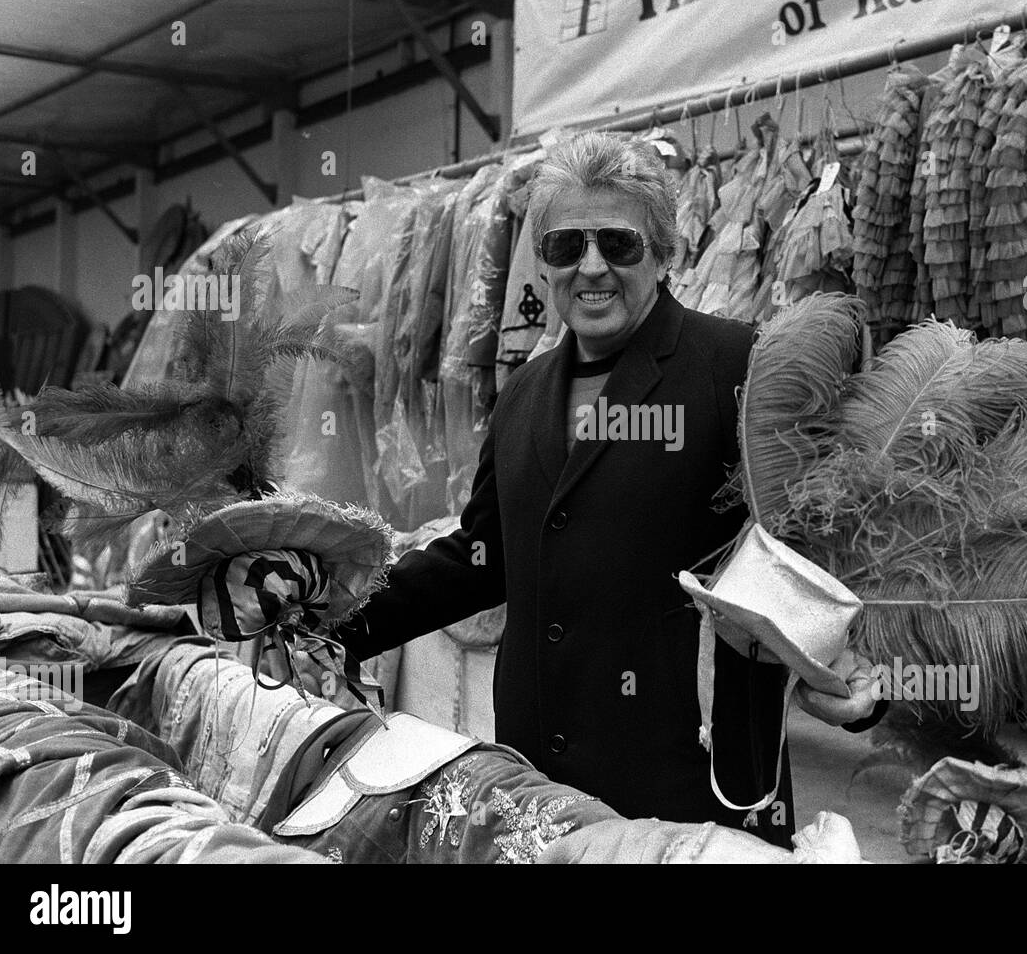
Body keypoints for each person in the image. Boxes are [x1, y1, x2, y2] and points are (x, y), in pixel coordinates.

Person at [335, 132, 869, 845]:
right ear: (541, 261)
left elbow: (832, 535)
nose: (591, 267)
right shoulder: (523, 391)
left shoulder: (735, 365)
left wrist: (861, 687)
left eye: (618, 244)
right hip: (539, 799)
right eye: (565, 246)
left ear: (665, 252)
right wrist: (334, 618)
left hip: (688, 799)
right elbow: (485, 554)